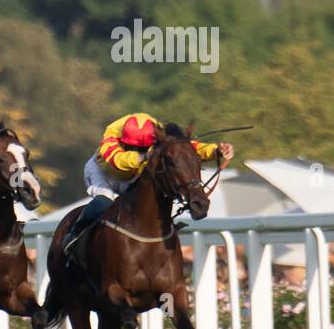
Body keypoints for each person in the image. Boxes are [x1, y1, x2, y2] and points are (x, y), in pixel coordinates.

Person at [63, 112, 234, 261]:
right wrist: (145, 155)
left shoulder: (156, 132)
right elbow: (119, 161)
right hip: (104, 174)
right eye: (131, 147)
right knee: (103, 203)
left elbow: (186, 148)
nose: (137, 149)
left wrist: (215, 151)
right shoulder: (112, 135)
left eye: (141, 148)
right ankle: (75, 233)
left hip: (134, 175)